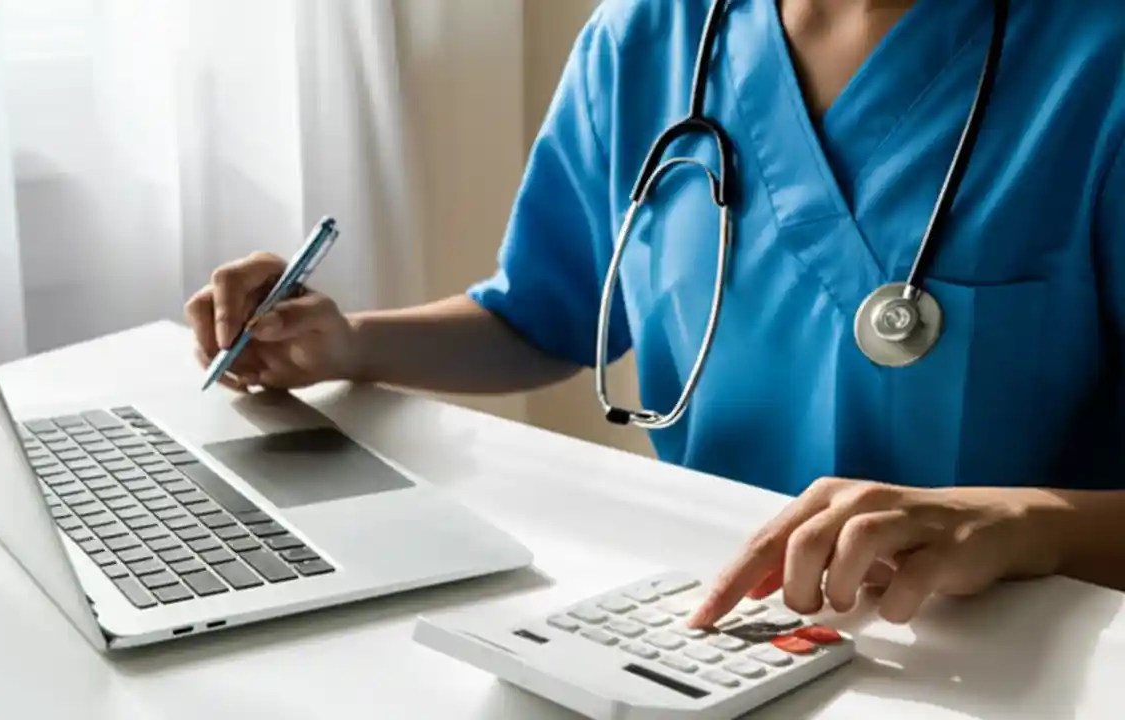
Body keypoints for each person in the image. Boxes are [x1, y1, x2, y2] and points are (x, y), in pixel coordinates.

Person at [186, 0, 1125, 627]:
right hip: (712, 623)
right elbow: (538, 317)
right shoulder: (648, 37)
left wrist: (1027, 522)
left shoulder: (1098, 61)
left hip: (1016, 648)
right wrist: (348, 344)